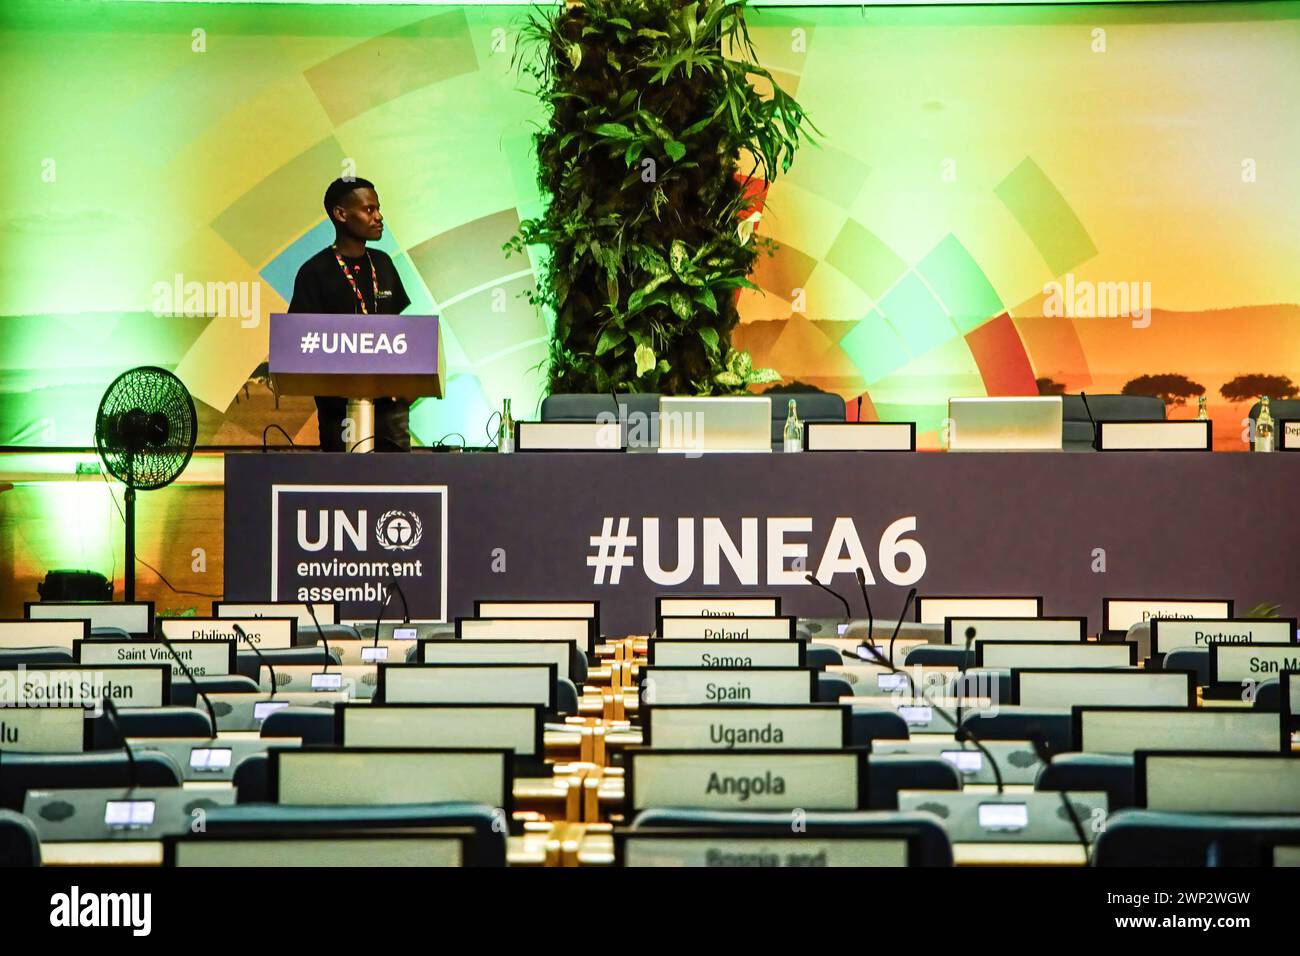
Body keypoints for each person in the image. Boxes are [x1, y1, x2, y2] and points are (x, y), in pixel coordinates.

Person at [288, 177, 412, 452]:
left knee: (399, 485)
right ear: (341, 214)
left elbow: (401, 335)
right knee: (344, 484)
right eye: (369, 210)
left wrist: (408, 384)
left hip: (390, 406)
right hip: (338, 408)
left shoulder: (384, 264)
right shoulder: (314, 272)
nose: (379, 217)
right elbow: (299, 341)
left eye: (378, 208)